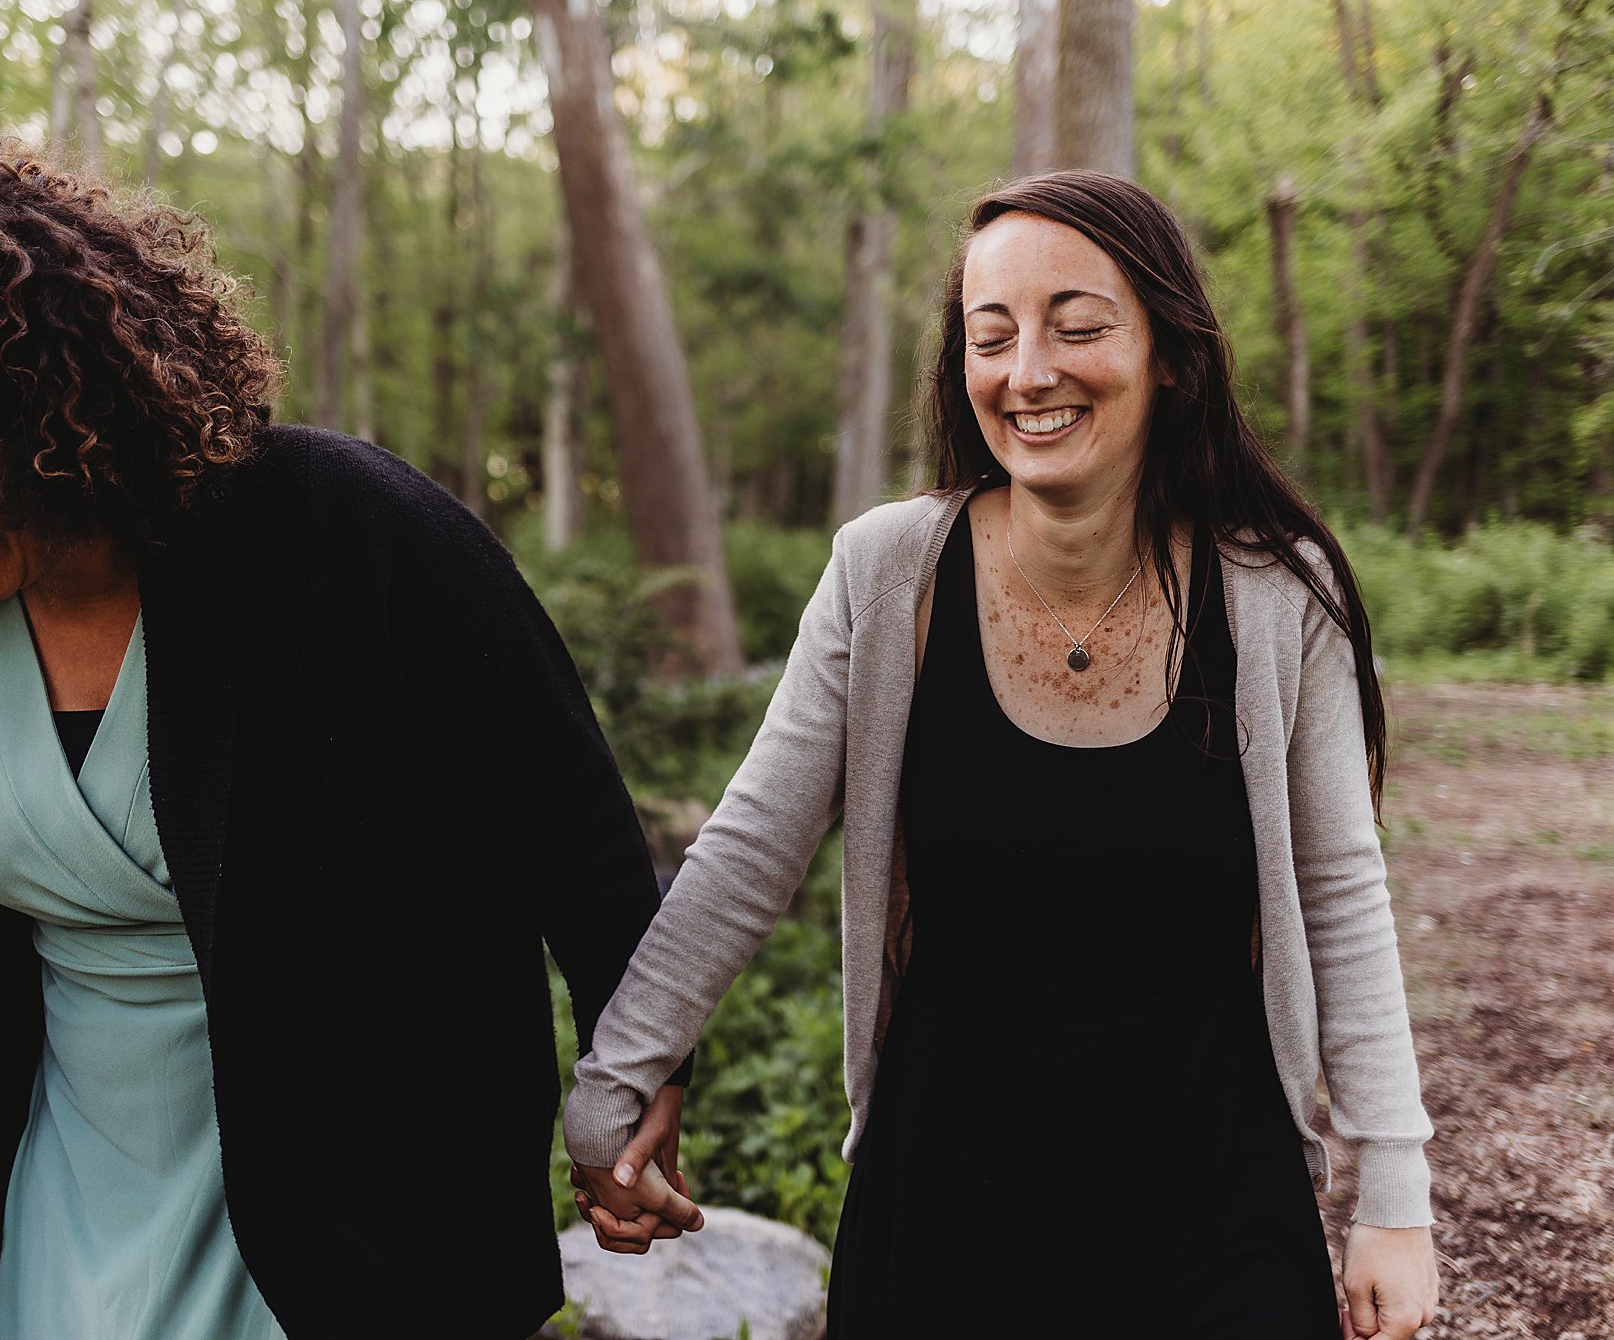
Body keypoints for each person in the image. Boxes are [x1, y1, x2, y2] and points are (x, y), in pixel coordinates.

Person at [0, 124, 700, 1340]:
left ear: (43, 403)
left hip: (358, 1191)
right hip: (65, 1194)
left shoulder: (352, 532)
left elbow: (572, 828)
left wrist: (632, 1078)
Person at [563, 171, 1438, 1338]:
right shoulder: (888, 576)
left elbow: (1339, 889)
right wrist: (611, 1090)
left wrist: (1392, 1195)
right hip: (943, 1205)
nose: (1028, 372)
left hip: (1214, 1204)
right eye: (992, 336)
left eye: (1076, 327)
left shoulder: (1278, 595)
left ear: (1170, 355)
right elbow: (744, 856)